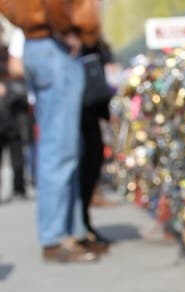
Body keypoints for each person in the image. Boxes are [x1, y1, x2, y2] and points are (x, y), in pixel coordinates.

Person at [0, 0, 103, 262]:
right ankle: (56, 237)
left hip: (40, 43)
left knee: (64, 148)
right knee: (59, 149)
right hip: (53, 46)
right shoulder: (56, 35)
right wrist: (66, 31)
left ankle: (72, 231)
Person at [79, 38, 113, 245]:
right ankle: (79, 227)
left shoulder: (91, 42)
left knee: (93, 159)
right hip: (80, 107)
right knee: (81, 166)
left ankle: (82, 225)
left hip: (91, 106)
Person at [0, 26, 27, 199]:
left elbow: (18, 73)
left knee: (17, 150)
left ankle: (19, 187)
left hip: (13, 108)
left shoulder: (10, 53)